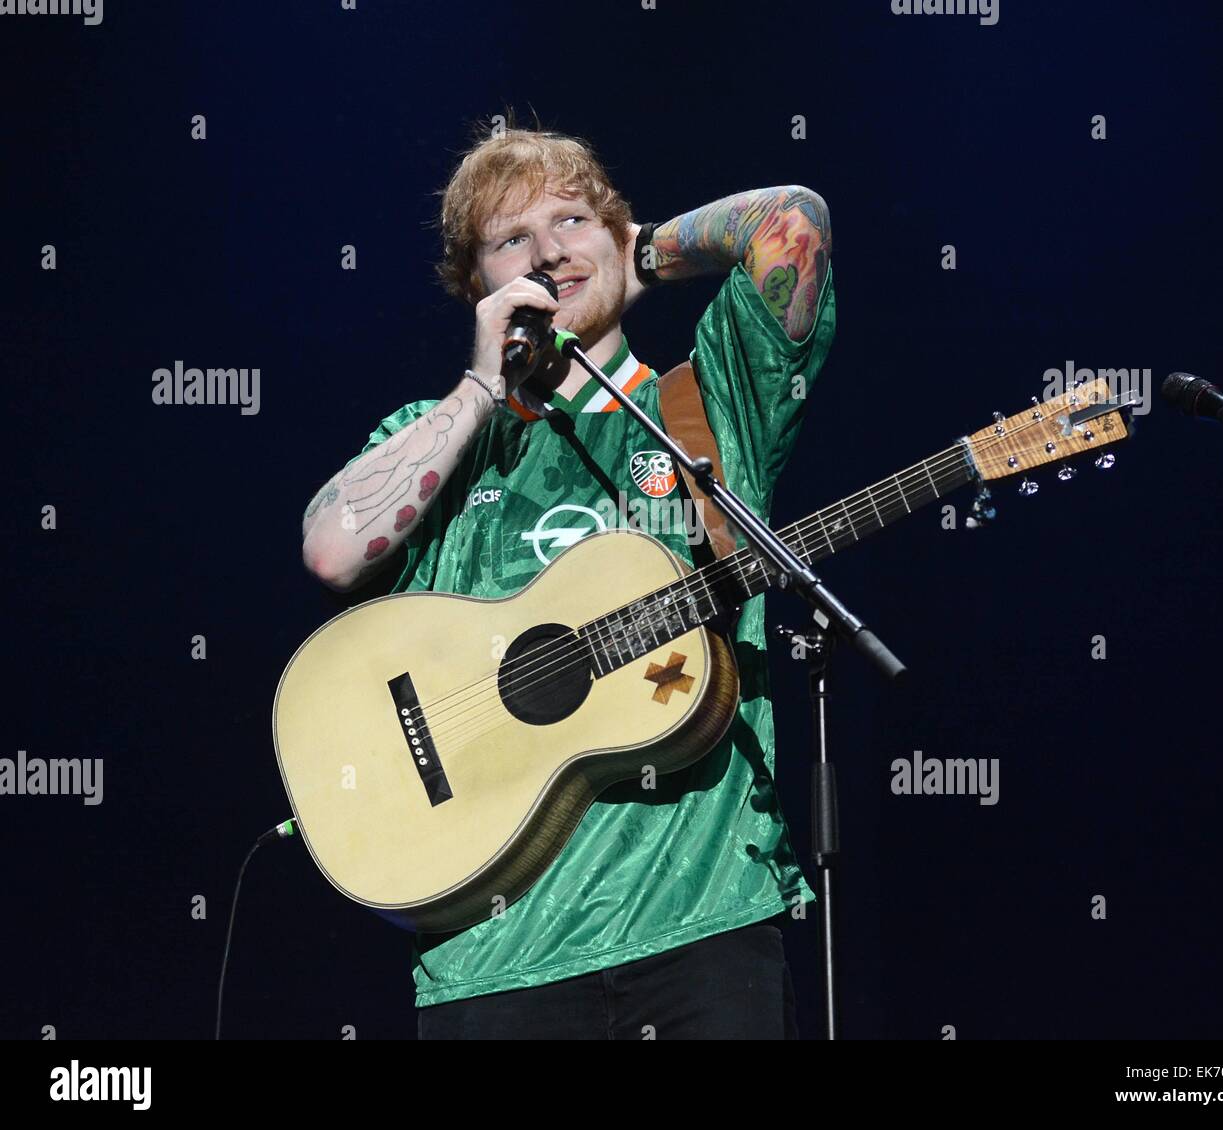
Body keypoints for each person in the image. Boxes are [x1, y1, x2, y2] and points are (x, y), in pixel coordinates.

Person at [300, 123, 836, 1039]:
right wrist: (480, 384)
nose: (549, 251)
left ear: (619, 235)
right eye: (512, 239)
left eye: (574, 220)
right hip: (494, 954)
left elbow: (794, 220)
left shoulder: (706, 408)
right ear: (479, 286)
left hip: (702, 932)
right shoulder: (441, 439)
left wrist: (643, 256)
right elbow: (332, 550)